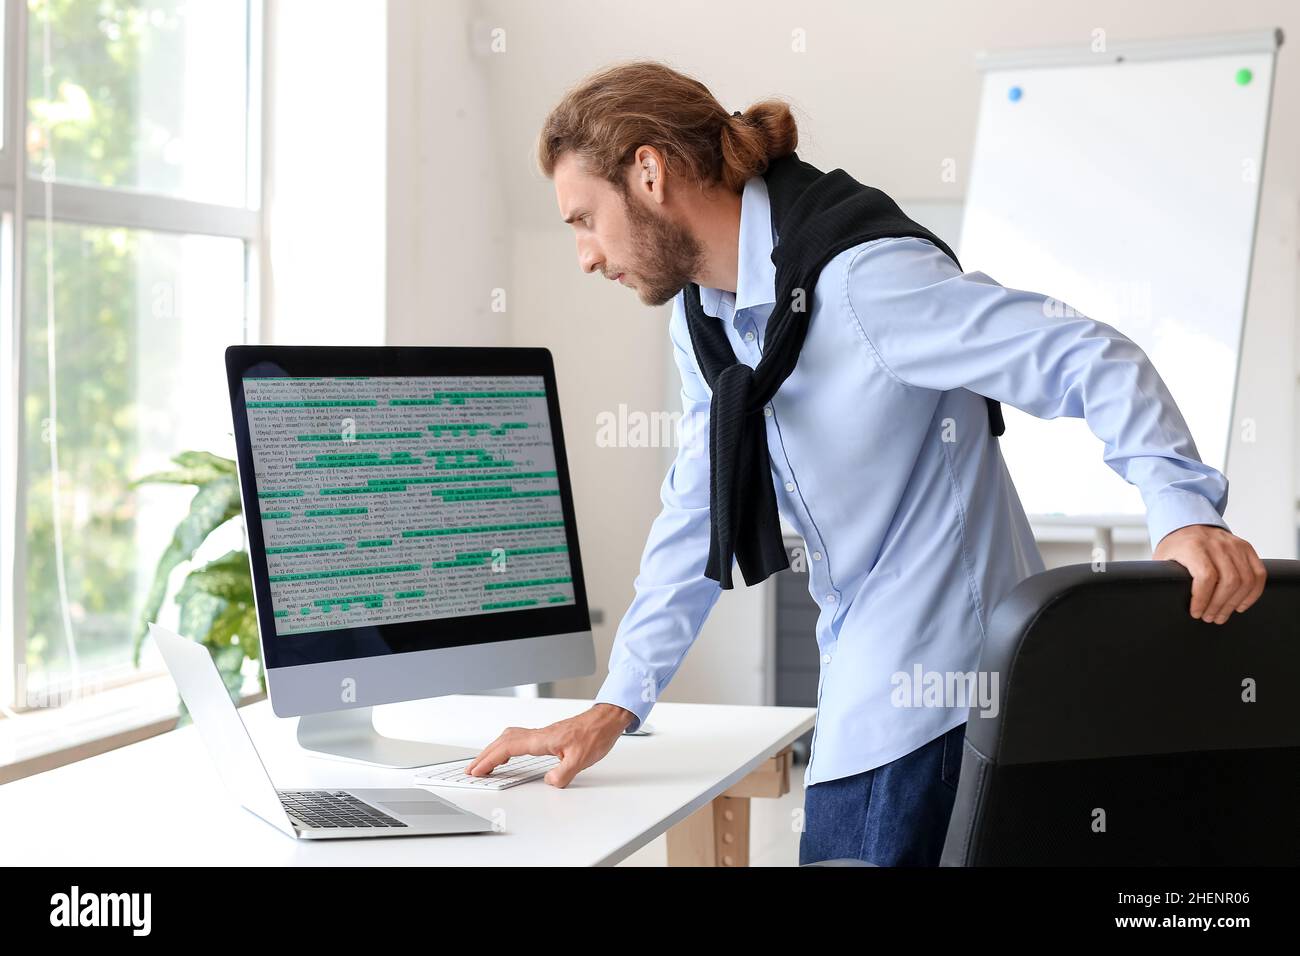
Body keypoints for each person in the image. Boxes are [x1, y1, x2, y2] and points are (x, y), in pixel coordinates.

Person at [466, 61, 1267, 866]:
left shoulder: (862, 284)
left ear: (648, 172)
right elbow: (697, 507)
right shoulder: (705, 321)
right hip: (861, 692)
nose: (583, 255)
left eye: (583, 219)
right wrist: (617, 704)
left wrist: (1183, 508)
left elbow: (1086, 354)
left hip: (949, 702)